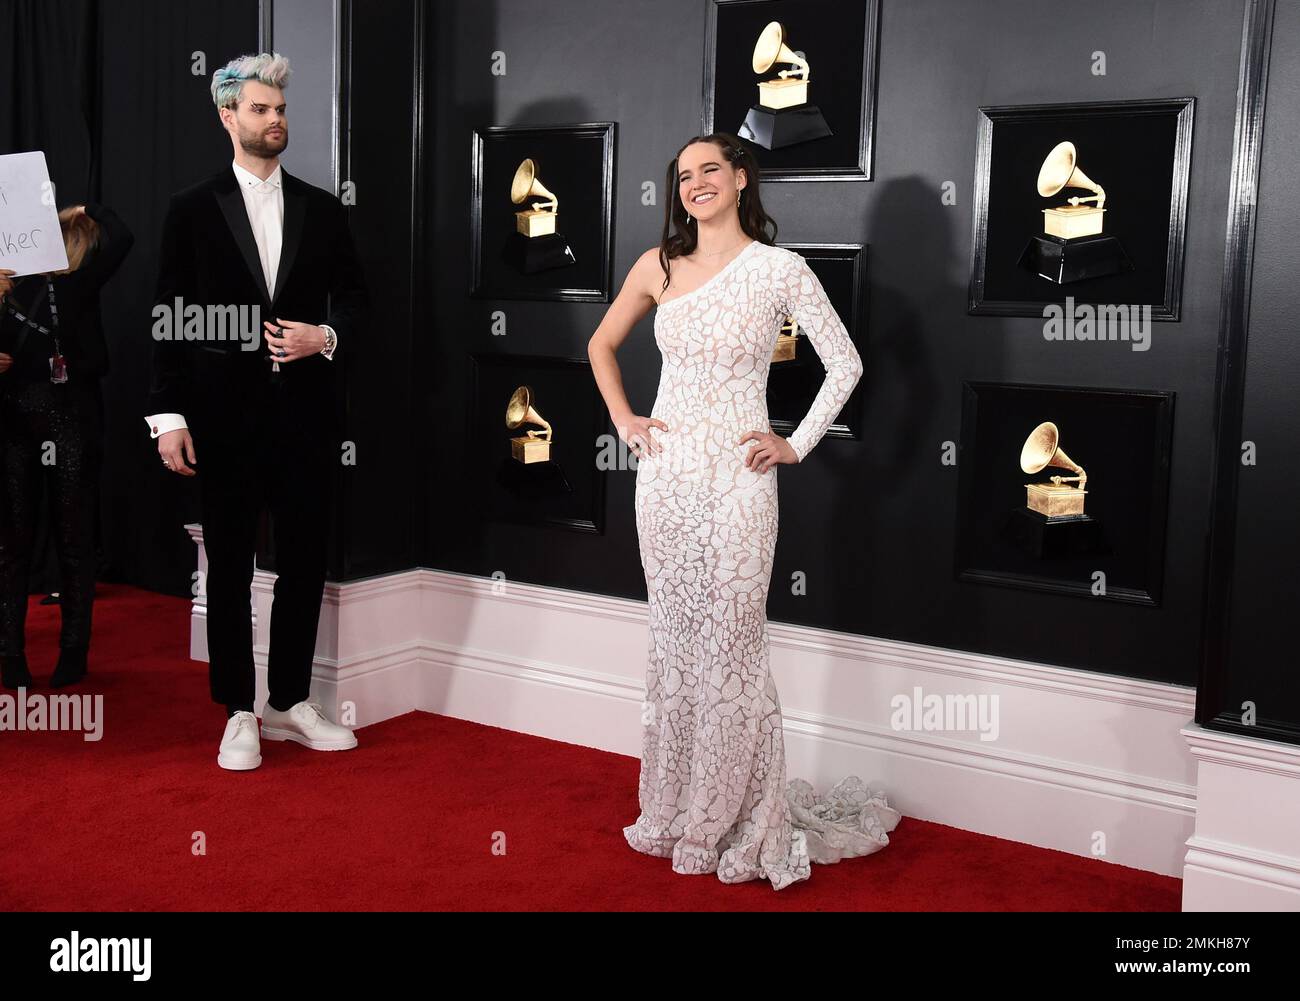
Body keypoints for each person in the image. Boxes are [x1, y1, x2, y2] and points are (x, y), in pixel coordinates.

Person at [587, 133, 900, 890]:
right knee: (673, 643)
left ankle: (727, 815)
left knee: (732, 648)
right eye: (684, 176)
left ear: (740, 178)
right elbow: (600, 343)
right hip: (664, 483)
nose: (695, 184)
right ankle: (669, 806)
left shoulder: (777, 268)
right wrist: (627, 420)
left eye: (709, 172)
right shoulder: (658, 265)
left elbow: (846, 361)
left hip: (738, 484)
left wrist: (795, 443)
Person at [146, 52, 367, 770]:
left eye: (281, 110)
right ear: (228, 117)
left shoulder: (324, 209)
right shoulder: (190, 208)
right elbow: (169, 315)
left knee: (305, 563)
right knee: (232, 567)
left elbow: (357, 302)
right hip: (222, 420)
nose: (275, 120)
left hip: (307, 419)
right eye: (261, 109)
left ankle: (289, 700)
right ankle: (239, 710)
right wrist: (167, 416)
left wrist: (324, 337)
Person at [0, 202, 133, 689]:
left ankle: (68, 653)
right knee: (27, 543)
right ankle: (14, 656)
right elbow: (120, 233)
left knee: (65, 541)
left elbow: (121, 237)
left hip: (70, 417)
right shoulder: (6, 283)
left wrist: (78, 210)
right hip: (17, 418)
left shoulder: (80, 283)